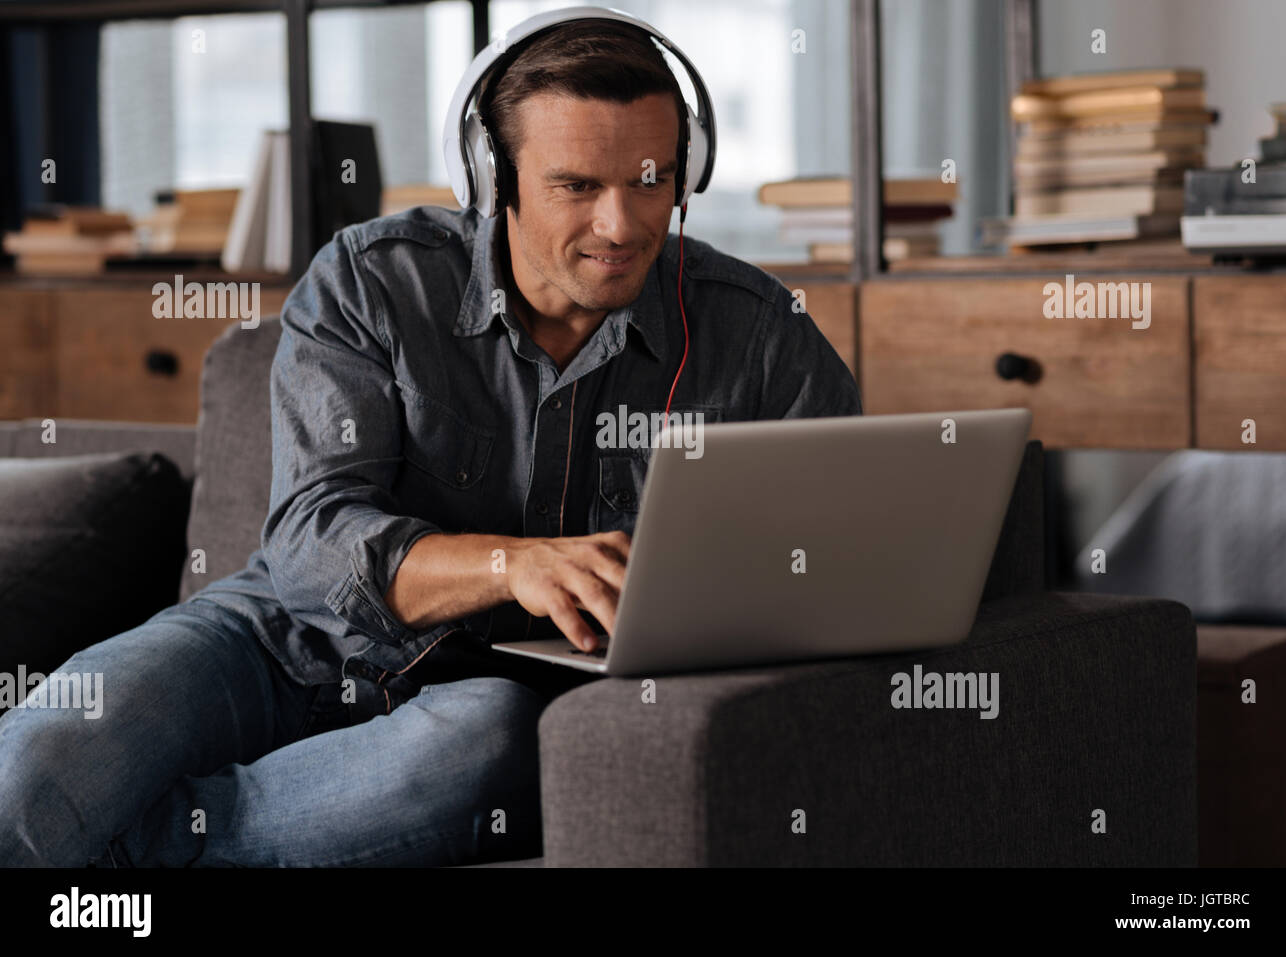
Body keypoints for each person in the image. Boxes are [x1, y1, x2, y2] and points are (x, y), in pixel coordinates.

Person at [0, 13, 860, 867]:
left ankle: (126, 861)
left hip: (484, 702)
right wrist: (513, 563)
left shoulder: (757, 337)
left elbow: (839, 553)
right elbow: (310, 547)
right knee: (39, 762)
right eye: (576, 186)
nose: (622, 223)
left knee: (485, 746)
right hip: (276, 644)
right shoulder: (371, 282)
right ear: (493, 178)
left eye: (650, 179)